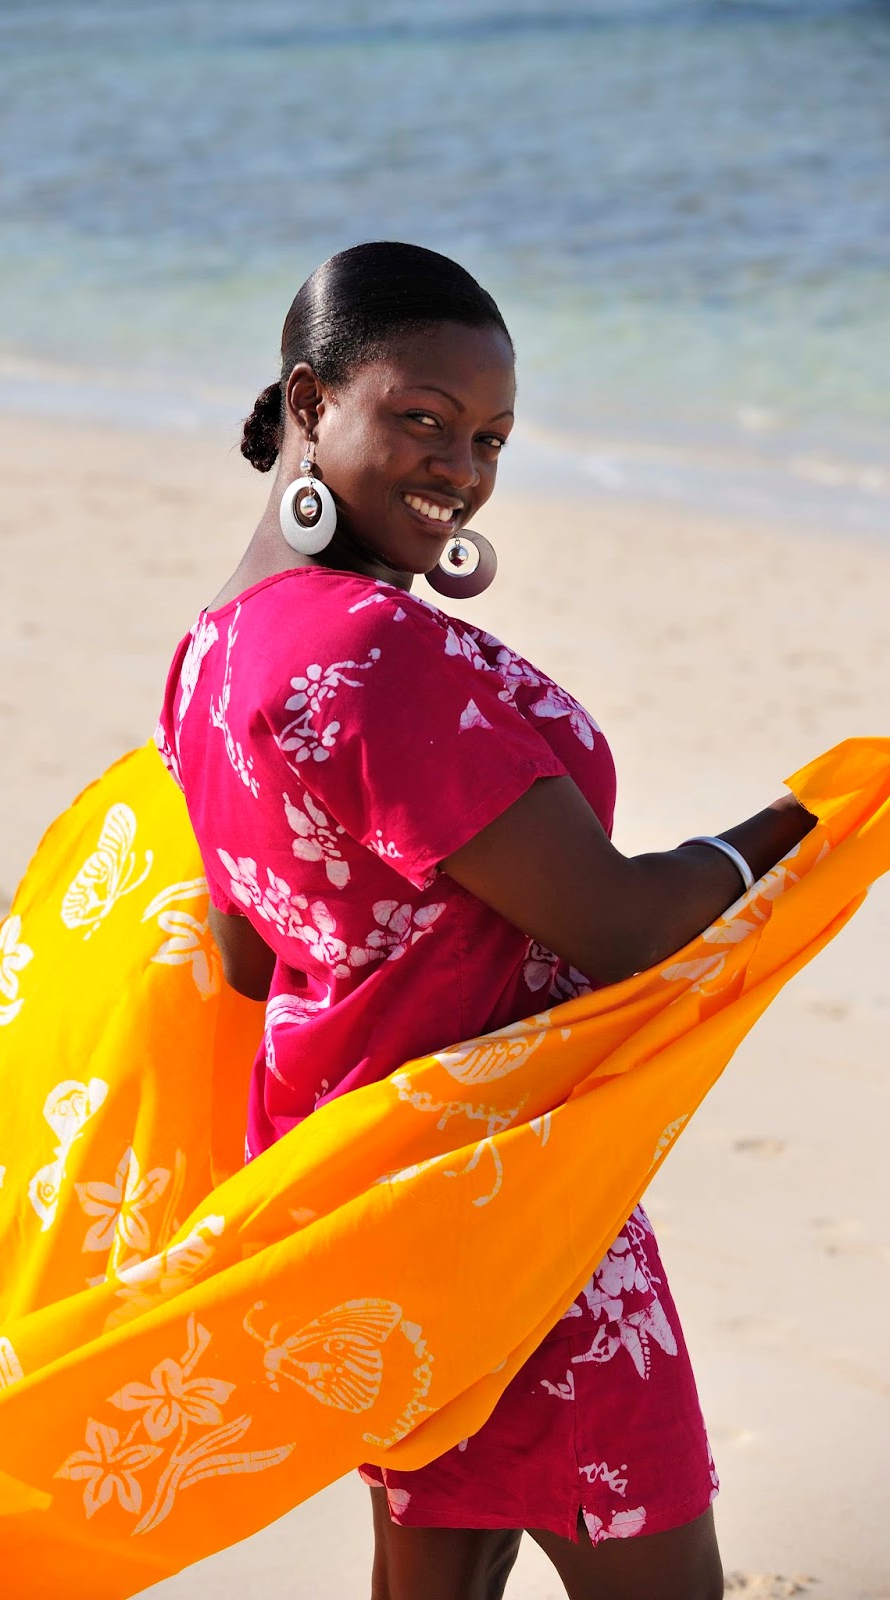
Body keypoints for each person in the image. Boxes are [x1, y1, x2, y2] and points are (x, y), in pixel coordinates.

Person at [154, 242, 814, 1600]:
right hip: (508, 1201)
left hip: (361, 1197)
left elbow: (238, 951)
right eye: (420, 418)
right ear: (308, 399)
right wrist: (798, 827)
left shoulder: (210, 652)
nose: (458, 465)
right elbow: (625, 923)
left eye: (490, 437)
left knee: (436, 1563)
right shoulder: (371, 654)